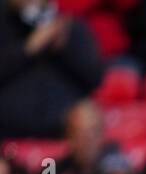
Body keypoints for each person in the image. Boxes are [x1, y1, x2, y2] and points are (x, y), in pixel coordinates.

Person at [0, 0, 103, 139]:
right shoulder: (5, 29)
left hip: (65, 131)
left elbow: (95, 78)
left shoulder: (69, 26)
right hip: (10, 131)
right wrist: (27, 49)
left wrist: (65, 48)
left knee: (87, 119)